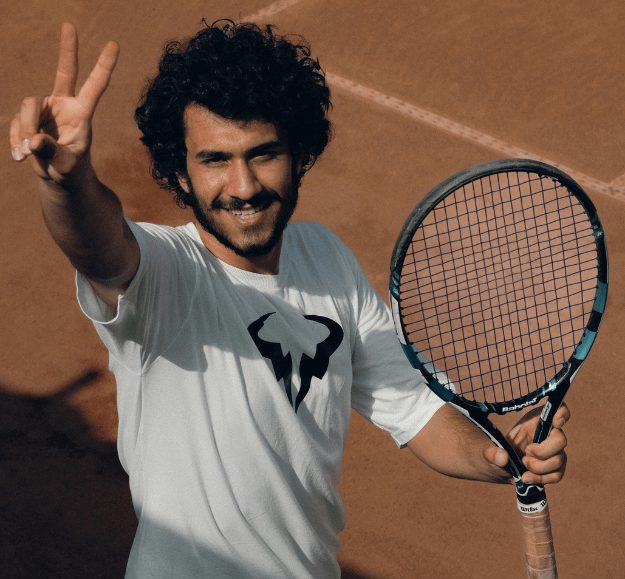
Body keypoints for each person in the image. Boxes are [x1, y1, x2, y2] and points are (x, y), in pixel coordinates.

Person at [10, 20, 569, 579]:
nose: (244, 185)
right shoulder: (162, 275)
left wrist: (497, 455)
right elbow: (98, 245)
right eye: (215, 160)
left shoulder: (326, 261)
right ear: (179, 174)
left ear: (298, 155)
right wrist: (68, 181)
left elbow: (417, 411)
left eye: (263, 154)